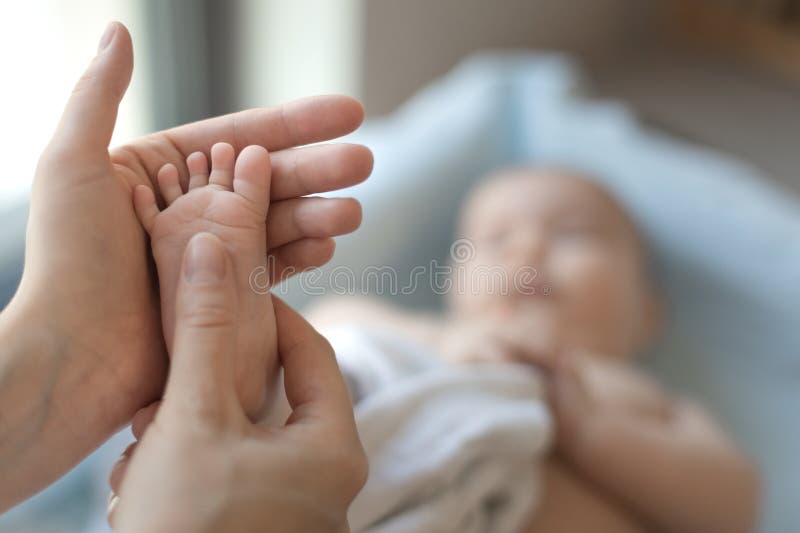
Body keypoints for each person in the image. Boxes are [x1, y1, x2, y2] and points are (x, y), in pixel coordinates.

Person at [0, 20, 370, 529]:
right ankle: (238, 399)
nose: (514, 253)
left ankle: (232, 400)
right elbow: (350, 319)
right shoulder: (418, 338)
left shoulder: (469, 364)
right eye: (482, 243)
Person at [309, 168, 759, 533]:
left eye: (572, 234)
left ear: (645, 313)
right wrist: (439, 340)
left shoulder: (642, 399)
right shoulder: (435, 341)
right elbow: (326, 323)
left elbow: (734, 507)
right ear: (452, 286)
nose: (527, 249)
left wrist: (591, 432)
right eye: (495, 239)